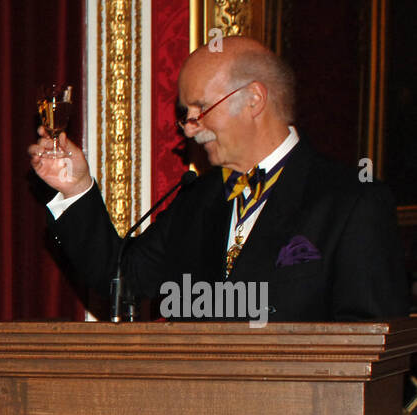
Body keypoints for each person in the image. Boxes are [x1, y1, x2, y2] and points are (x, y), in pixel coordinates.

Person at [29, 36, 409, 322]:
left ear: (253, 100)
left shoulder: (352, 200)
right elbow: (124, 280)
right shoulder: (199, 197)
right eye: (186, 114)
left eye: (199, 109)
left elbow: (373, 347)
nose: (190, 129)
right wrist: (76, 189)